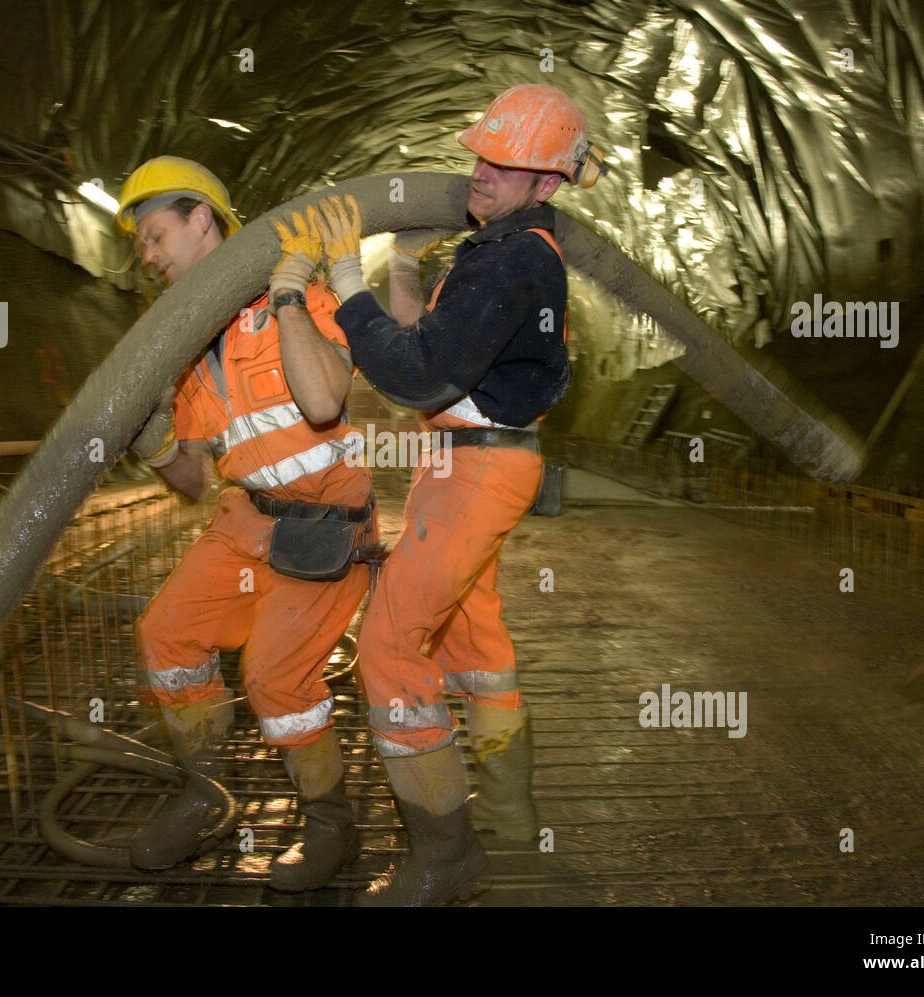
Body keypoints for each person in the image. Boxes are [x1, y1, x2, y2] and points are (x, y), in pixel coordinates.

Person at [309, 84, 604, 905]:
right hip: (467, 460)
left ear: (547, 186)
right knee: (472, 643)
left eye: (505, 165)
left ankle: (446, 853)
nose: (480, 172)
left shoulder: (514, 259)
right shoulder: (499, 251)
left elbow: (413, 374)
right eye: (480, 154)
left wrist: (343, 280)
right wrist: (403, 266)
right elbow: (429, 347)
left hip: (477, 469)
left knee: (392, 648)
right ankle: (512, 820)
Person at [117, 157, 374, 891]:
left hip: (327, 522)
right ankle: (207, 794)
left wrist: (288, 293)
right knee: (165, 636)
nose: (150, 254)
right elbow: (196, 480)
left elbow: (324, 400)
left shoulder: (300, 294)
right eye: (142, 244)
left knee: (273, 677)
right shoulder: (194, 343)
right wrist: (155, 442)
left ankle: (329, 822)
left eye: (157, 234)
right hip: (244, 523)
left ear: (203, 220)